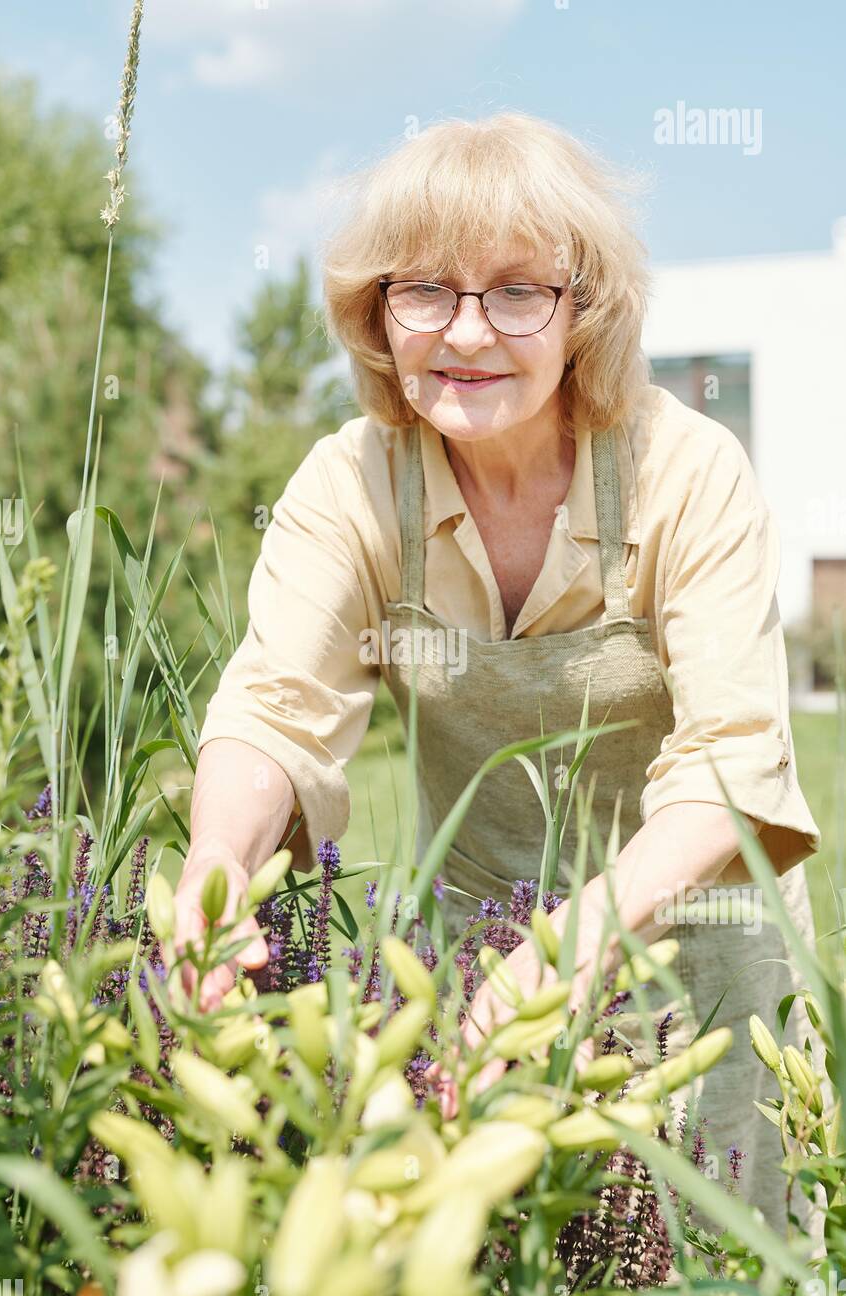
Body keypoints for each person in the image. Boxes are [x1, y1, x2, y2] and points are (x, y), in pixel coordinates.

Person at [172, 112, 822, 1236]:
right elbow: (276, 703)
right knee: (512, 1251)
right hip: (476, 963)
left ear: (584, 311)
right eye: (424, 289)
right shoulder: (350, 484)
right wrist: (218, 865)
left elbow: (730, 754)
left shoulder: (684, 471)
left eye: (516, 292)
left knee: (717, 1286)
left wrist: (572, 944)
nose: (465, 330)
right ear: (376, 313)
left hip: (701, 958)